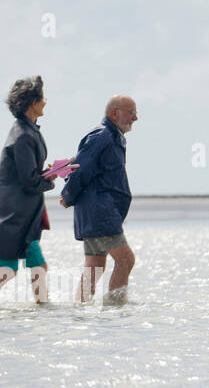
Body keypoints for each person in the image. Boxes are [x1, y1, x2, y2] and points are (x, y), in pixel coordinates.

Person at [60, 95, 138, 305]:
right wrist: (68, 195)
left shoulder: (111, 136)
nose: (135, 118)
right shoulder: (103, 136)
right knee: (126, 260)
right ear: (115, 113)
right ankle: (116, 311)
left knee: (94, 267)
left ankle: (80, 312)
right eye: (131, 113)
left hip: (95, 213)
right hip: (100, 213)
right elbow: (80, 169)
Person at [0, 76, 63, 303]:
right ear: (32, 102)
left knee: (38, 267)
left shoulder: (28, 130)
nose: (45, 102)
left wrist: (47, 174)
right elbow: (29, 182)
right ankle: (43, 308)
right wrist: (51, 179)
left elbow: (28, 176)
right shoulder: (23, 136)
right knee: (8, 269)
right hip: (15, 215)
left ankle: (43, 312)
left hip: (24, 214)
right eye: (42, 98)